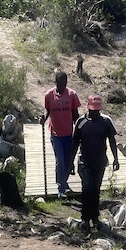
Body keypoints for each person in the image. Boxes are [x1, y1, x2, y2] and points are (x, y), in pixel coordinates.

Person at [69, 93, 119, 232]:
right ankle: (85, 219)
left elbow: (112, 141)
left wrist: (116, 159)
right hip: (84, 162)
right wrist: (70, 163)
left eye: (97, 110)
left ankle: (95, 218)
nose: (95, 112)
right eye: (92, 110)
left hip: (100, 163)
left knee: (95, 191)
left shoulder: (106, 121)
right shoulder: (80, 122)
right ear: (88, 108)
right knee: (87, 189)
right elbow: (74, 143)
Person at [40, 71, 81, 199]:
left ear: (66, 83)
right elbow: (48, 110)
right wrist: (44, 118)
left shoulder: (72, 95)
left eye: (63, 85)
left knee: (68, 161)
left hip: (68, 134)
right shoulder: (49, 95)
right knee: (60, 161)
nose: (61, 87)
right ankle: (61, 188)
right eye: (58, 84)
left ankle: (64, 183)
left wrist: (80, 128)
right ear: (55, 83)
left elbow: (75, 114)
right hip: (55, 133)